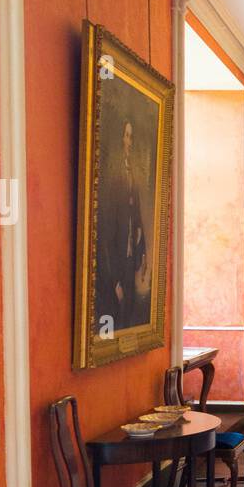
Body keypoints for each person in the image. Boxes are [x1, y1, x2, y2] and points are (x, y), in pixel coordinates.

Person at [97, 118, 147, 330]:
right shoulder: (114, 174)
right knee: (117, 309)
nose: (129, 141)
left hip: (129, 255)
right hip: (116, 255)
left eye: (131, 136)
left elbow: (136, 216)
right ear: (120, 139)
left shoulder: (132, 172)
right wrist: (115, 277)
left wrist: (141, 248)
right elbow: (108, 227)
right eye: (126, 136)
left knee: (129, 309)